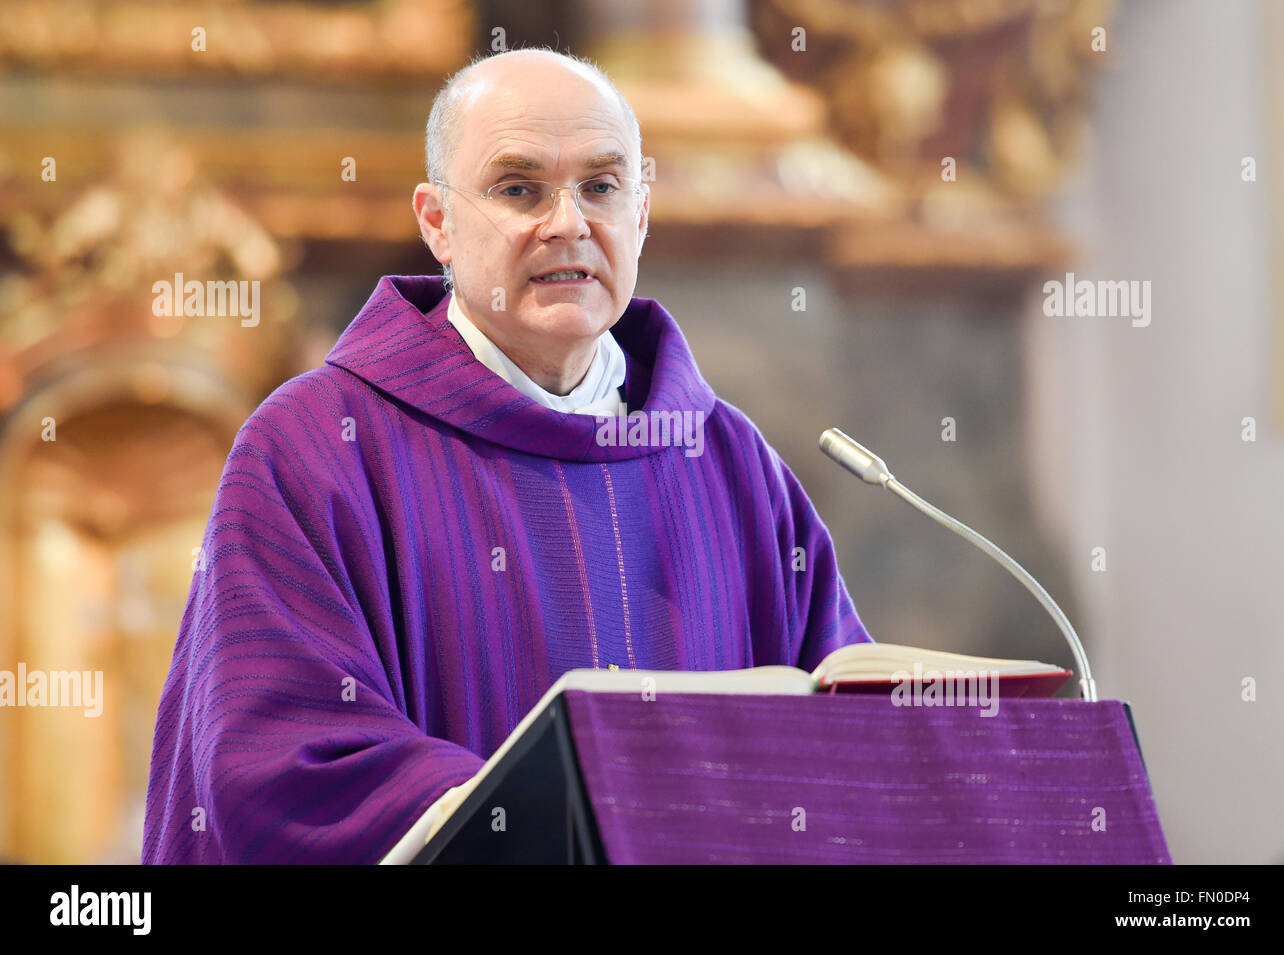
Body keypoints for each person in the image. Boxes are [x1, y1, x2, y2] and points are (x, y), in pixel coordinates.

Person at [143, 48, 870, 865]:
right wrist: (561, 822)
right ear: (437, 222)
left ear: (642, 214)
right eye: (519, 188)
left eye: (602, 186)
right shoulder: (315, 450)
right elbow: (282, 762)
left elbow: (848, 726)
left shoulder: (729, 462)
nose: (568, 222)